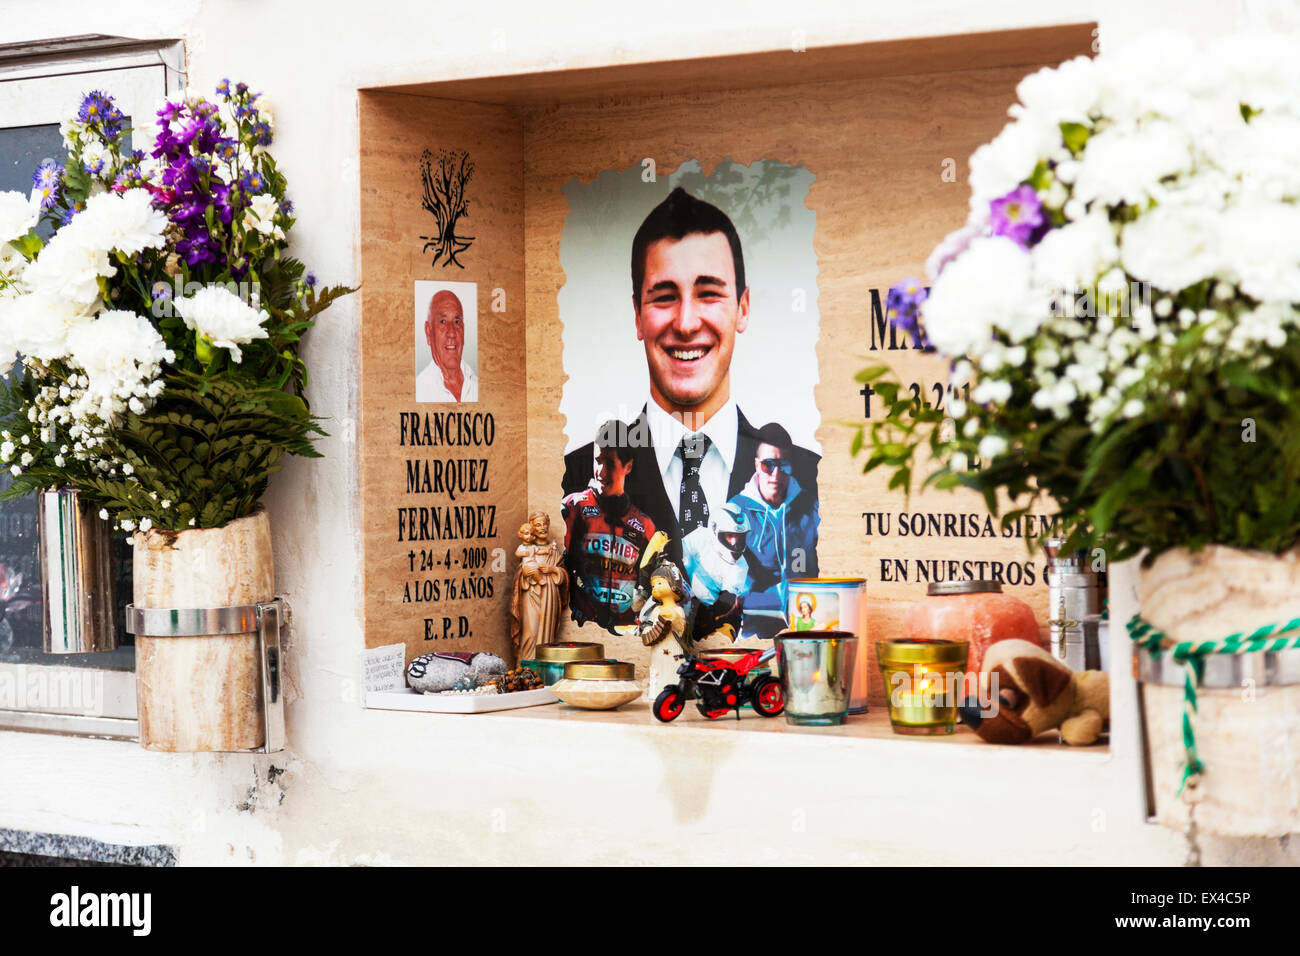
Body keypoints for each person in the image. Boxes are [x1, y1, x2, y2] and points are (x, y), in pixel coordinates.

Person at [561, 187, 819, 602]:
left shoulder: (810, 479)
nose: (685, 322)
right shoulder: (575, 476)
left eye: (709, 292)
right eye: (664, 297)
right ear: (637, 315)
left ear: (743, 308)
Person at [561, 421, 658, 633]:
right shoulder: (573, 507)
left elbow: (654, 587)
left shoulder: (645, 526)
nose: (601, 472)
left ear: (628, 466)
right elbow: (560, 567)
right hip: (582, 629)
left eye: (610, 464)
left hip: (626, 634)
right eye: (597, 462)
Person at [729, 422, 820, 636]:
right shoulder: (735, 514)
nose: (776, 474)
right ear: (756, 465)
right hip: (755, 631)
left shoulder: (812, 507)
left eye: (783, 465)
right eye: (768, 465)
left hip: (810, 622)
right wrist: (784, 594)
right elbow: (737, 596)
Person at [508, 512, 568, 663]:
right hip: (530, 594)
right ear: (532, 529)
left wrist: (553, 570)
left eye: (544, 524)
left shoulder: (554, 550)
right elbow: (518, 575)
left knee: (546, 634)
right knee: (530, 633)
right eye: (538, 525)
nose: (542, 528)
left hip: (550, 596)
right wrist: (523, 573)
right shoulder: (527, 549)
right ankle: (524, 668)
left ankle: (543, 670)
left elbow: (564, 576)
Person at [416, 288, 478, 402]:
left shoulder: (478, 386)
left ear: (463, 330)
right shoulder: (419, 392)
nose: (452, 333)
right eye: (443, 322)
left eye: (457, 322)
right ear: (428, 332)